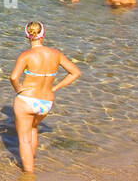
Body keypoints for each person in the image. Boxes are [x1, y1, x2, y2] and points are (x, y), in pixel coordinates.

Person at [8, 21, 83, 173]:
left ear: (27, 35)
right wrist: (55, 87)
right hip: (46, 102)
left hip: (26, 100)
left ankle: (28, 175)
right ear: (43, 34)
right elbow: (75, 72)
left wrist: (19, 89)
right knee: (33, 128)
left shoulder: (26, 55)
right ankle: (30, 159)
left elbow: (13, 77)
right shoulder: (56, 54)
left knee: (23, 139)